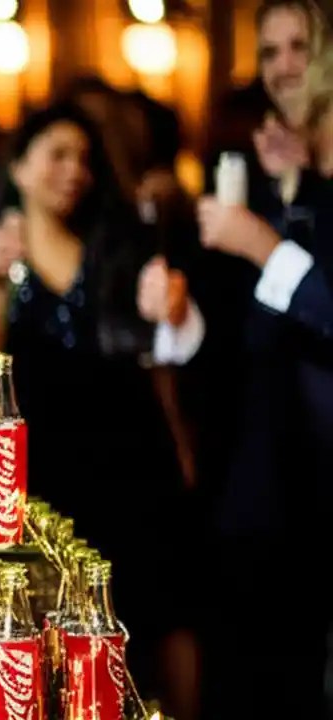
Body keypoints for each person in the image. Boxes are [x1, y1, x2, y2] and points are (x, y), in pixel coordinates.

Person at [0, 104, 193, 694]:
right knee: (62, 631)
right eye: (58, 153)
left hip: (132, 457)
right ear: (19, 166)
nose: (75, 169)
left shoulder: (110, 249)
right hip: (47, 470)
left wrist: (180, 441)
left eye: (84, 158)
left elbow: (151, 363)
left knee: (159, 611)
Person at [188, 40, 333, 720]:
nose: (282, 65)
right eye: (268, 48)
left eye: (300, 45)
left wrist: (263, 244)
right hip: (272, 465)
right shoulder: (275, 171)